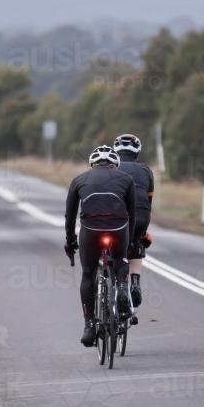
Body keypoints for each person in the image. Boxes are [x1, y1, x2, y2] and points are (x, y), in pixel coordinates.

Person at [64, 146, 136, 347]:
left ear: (92, 164)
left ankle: (89, 326)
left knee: (88, 274)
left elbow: (69, 216)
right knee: (120, 258)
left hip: (90, 229)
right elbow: (131, 214)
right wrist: (129, 241)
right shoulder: (126, 179)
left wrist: (70, 241)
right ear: (115, 165)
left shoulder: (78, 180)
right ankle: (122, 286)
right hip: (118, 226)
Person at [112, 133, 154, 307]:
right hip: (141, 216)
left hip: (114, 216)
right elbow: (148, 202)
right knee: (137, 238)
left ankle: (113, 281)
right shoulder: (146, 171)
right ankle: (135, 283)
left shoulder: (109, 169)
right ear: (137, 153)